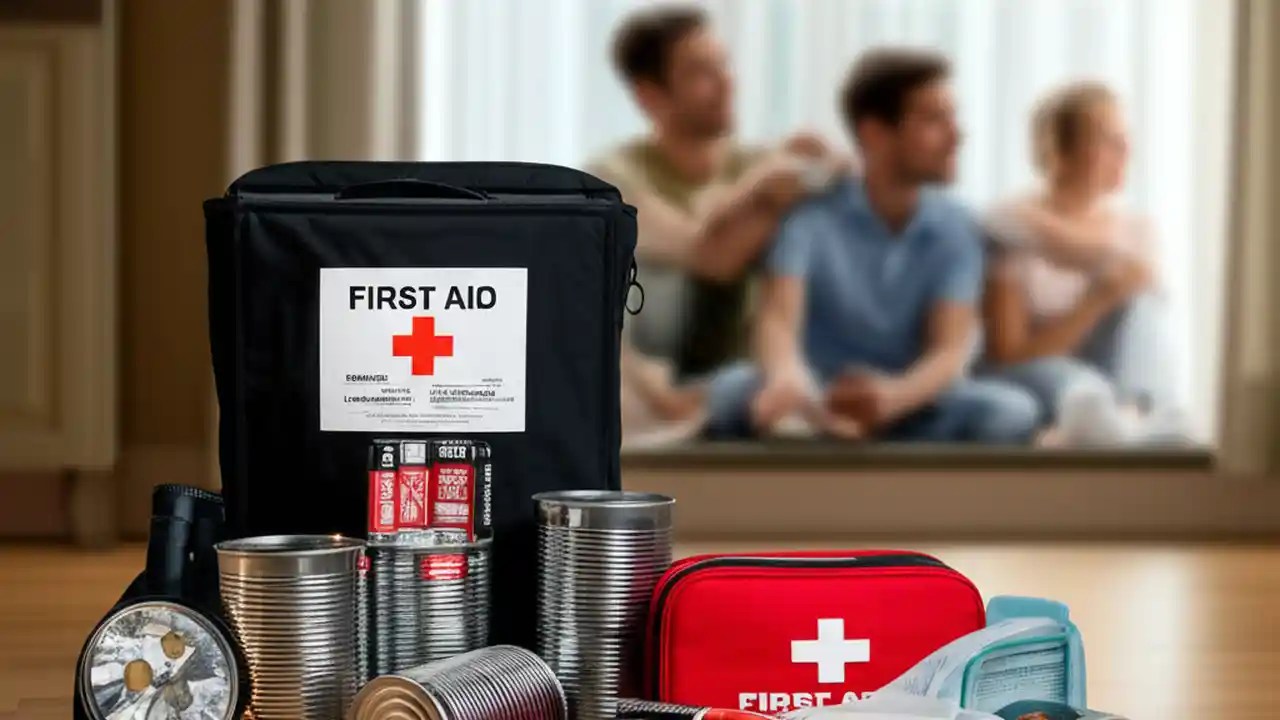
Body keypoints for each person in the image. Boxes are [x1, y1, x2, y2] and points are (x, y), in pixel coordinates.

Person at [705, 49, 1039, 443]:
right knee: (729, 392)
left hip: (908, 398)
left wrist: (890, 399)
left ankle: (837, 439)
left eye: (953, 117)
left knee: (1011, 412)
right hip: (814, 390)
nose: (956, 135)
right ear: (874, 133)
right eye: (934, 120)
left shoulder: (957, 226)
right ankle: (823, 428)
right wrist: (788, 378)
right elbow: (777, 318)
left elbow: (950, 350)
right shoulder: (810, 214)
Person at [590, 4, 846, 380]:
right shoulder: (615, 178)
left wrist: (832, 168)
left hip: (770, 370)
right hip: (670, 372)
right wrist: (763, 188)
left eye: (723, 64)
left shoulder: (763, 164)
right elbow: (706, 253)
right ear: (650, 95)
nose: (726, 82)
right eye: (701, 72)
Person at [981, 82, 1176, 433]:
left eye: (1125, 139)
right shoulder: (1011, 228)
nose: (1125, 151)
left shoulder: (1137, 231)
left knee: (1143, 306)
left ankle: (1141, 414)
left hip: (1119, 378)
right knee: (1084, 386)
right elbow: (1007, 354)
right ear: (1060, 153)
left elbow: (1144, 329)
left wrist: (1102, 266)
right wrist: (1094, 301)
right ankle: (1111, 416)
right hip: (1041, 371)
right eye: (1108, 140)